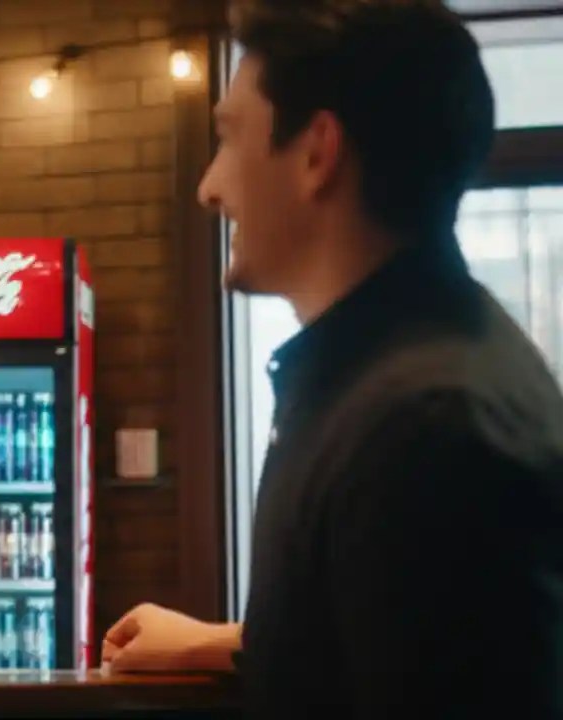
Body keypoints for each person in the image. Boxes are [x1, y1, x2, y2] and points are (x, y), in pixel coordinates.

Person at [103, 1, 563, 716]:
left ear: (318, 151)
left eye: (228, 137)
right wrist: (221, 642)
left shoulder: (427, 428)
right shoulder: (394, 381)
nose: (209, 186)